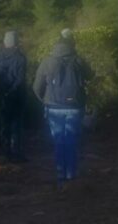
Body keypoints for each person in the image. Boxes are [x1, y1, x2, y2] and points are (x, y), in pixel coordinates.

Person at [33, 29, 93, 189]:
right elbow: (91, 76)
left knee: (59, 141)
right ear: (72, 44)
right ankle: (71, 174)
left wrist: (45, 101)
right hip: (74, 106)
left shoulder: (47, 61)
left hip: (53, 107)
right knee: (72, 141)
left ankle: (60, 174)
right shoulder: (79, 60)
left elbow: (36, 87)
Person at [0, 30, 28, 162]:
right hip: (17, 96)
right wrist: (11, 91)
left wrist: (0, 92)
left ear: (4, 43)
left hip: (2, 96)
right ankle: (16, 153)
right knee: (16, 125)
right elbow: (20, 79)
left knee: (4, 123)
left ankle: (5, 151)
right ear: (16, 42)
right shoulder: (21, 58)